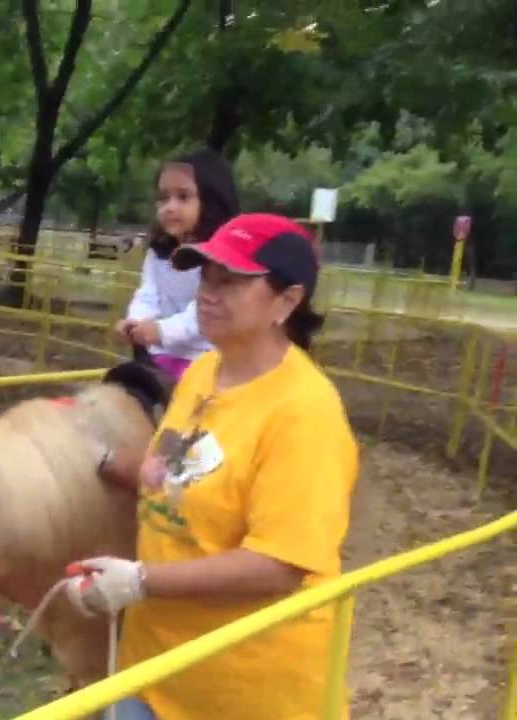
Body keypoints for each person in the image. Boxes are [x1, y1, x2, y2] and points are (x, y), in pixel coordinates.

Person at [86, 213, 360, 720]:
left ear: (288, 301)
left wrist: (141, 581)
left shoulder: (305, 413)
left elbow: (277, 565)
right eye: (207, 277)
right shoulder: (204, 373)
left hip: (246, 694)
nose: (209, 293)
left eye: (231, 281)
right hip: (153, 671)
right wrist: (94, 458)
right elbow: (164, 474)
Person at [114, 148, 239, 381]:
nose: (169, 207)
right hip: (159, 354)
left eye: (183, 197)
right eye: (163, 198)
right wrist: (135, 323)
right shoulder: (159, 252)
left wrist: (161, 331)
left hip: (206, 360)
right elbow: (148, 294)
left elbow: (202, 313)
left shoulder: (220, 259)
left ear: (211, 201)